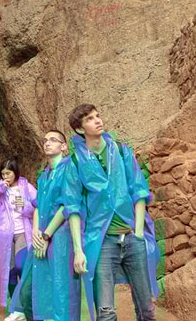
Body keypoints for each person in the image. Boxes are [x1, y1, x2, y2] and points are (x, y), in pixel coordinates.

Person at [67, 104, 160, 321]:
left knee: (146, 309)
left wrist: (138, 234)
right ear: (80, 129)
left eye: (97, 116)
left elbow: (139, 191)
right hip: (102, 242)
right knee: (106, 312)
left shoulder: (121, 150)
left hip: (132, 236)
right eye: (90, 119)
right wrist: (79, 250)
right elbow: (72, 208)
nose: (98, 120)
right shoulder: (75, 161)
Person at [6, 130, 84, 321]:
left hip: (61, 238)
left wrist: (46, 235)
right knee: (28, 293)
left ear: (64, 147)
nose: (47, 143)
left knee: (62, 291)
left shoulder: (70, 169)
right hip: (41, 238)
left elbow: (67, 205)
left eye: (53, 140)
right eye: (45, 140)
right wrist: (36, 233)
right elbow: (38, 207)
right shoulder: (44, 176)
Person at [0, 159, 36, 309]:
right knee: (10, 270)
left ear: (15, 172)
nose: (5, 176)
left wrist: (25, 206)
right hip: (5, 235)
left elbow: (38, 206)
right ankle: (15, 306)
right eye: (3, 174)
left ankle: (27, 302)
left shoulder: (26, 186)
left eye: (8, 173)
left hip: (23, 232)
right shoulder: (0, 188)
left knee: (21, 266)